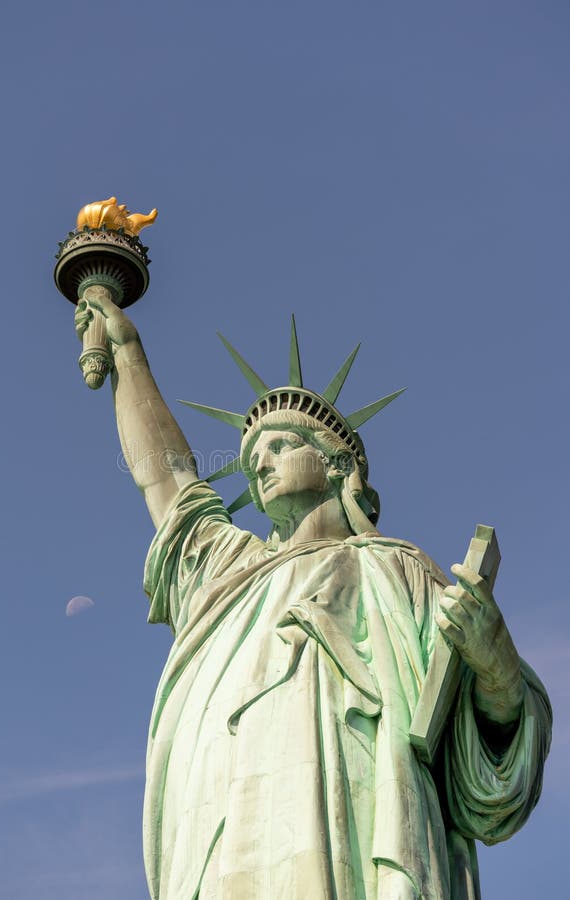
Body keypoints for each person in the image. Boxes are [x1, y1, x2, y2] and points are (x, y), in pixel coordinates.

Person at [75, 292, 551, 900]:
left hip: (352, 825)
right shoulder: (229, 571)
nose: (260, 464)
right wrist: (129, 356)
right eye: (253, 458)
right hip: (226, 837)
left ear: (336, 464)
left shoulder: (394, 570)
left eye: (280, 445)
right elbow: (166, 481)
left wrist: (495, 664)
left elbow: (493, 749)